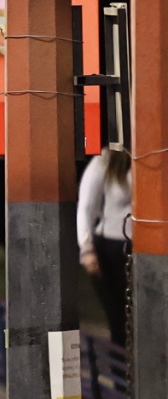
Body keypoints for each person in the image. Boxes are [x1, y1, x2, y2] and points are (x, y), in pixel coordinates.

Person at [81, 145, 133, 344]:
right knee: (119, 321)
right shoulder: (107, 159)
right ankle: (120, 373)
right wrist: (87, 249)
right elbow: (86, 208)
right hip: (111, 251)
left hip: (148, 249)